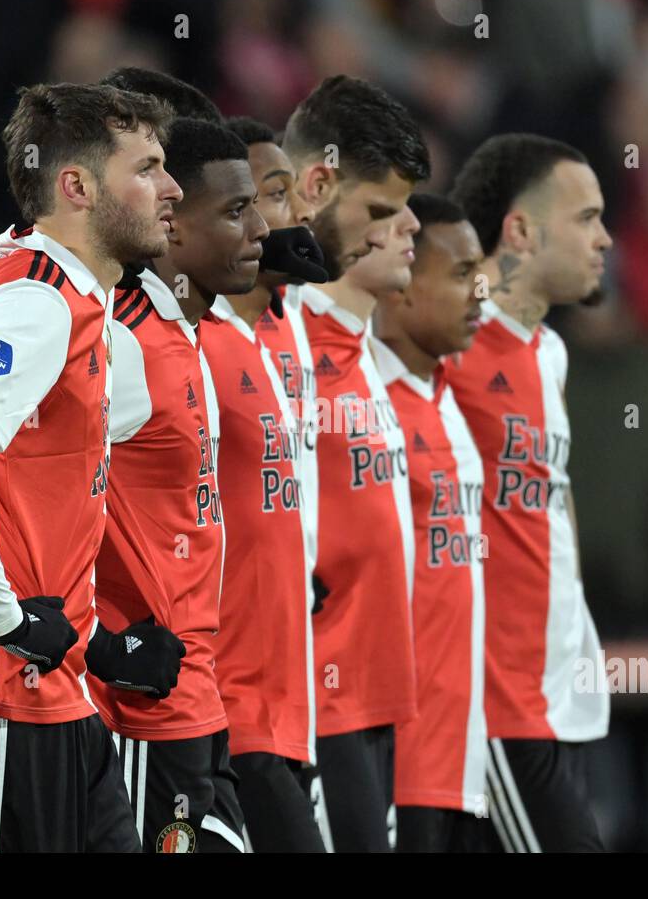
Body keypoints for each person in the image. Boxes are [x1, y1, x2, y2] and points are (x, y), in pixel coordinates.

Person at [0, 82, 179, 852]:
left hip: (56, 687)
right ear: (77, 186)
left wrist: (98, 647)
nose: (171, 188)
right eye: (147, 168)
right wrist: (9, 620)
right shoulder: (36, 302)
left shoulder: (71, 302)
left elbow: (44, 498)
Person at [89, 118, 268, 853]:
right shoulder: (118, 339)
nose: (260, 228)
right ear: (173, 230)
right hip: (138, 708)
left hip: (200, 696)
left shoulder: (188, 335)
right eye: (234, 212)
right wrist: (99, 643)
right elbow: (17, 494)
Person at [447, 134, 613, 852]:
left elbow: (552, 497)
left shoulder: (548, 350)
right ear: (518, 229)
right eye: (586, 218)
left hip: (555, 694)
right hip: (495, 703)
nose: (605, 239)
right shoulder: (443, 339)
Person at [281, 74, 431, 852]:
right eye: (382, 209)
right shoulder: (285, 342)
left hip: (377, 699)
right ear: (317, 187)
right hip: (316, 704)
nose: (409, 226)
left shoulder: (360, 351)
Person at [203, 115, 328, 851]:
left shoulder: (275, 336)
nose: (293, 215)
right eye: (269, 195)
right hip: (226, 708)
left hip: (293, 702)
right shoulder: (198, 347)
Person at [369, 193, 490, 852]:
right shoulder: (362, 412)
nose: (481, 292)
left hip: (461, 761)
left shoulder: (446, 402)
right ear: (401, 287)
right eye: (460, 272)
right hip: (394, 767)